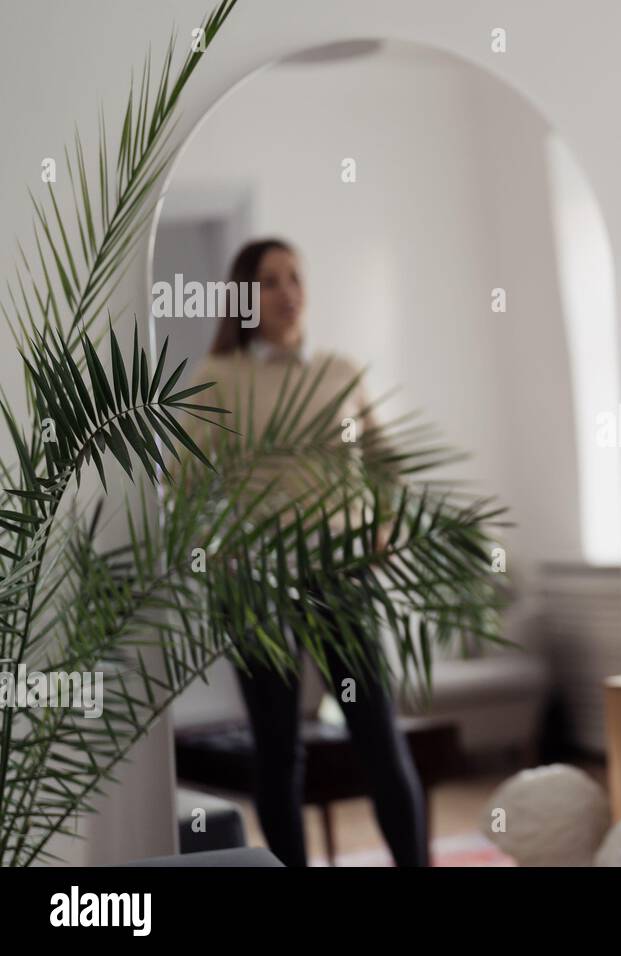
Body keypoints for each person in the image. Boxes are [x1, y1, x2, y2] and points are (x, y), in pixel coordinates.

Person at [191, 238, 428, 867]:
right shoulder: (219, 378)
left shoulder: (340, 371)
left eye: (295, 277)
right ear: (244, 295)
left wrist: (382, 523)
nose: (288, 291)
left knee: (378, 738)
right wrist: (216, 555)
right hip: (256, 585)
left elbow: (388, 465)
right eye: (269, 281)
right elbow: (182, 484)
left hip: (342, 576)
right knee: (278, 750)